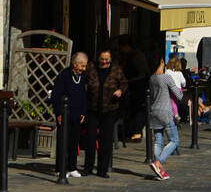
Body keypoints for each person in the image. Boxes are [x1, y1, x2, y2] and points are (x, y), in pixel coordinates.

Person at [83, 49, 125, 178]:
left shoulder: (116, 69)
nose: (104, 62)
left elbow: (124, 83)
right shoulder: (91, 67)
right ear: (98, 58)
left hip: (109, 108)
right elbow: (84, 80)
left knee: (105, 140)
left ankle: (102, 169)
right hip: (92, 108)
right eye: (102, 59)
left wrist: (120, 90)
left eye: (107, 59)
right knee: (90, 138)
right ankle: (88, 168)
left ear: (110, 59)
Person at [51, 51, 88, 176]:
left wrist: (83, 112)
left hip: (77, 114)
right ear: (75, 64)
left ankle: (72, 167)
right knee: (63, 142)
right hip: (65, 113)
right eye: (82, 66)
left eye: (85, 66)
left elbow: (84, 95)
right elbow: (55, 96)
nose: (84, 68)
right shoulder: (64, 75)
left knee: (74, 141)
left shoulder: (82, 77)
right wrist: (59, 113)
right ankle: (60, 168)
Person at [148, 57, 179, 179]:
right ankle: (158, 162)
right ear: (161, 62)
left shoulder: (152, 78)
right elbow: (179, 95)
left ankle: (158, 170)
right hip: (166, 111)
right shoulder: (166, 77)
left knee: (158, 140)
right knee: (174, 140)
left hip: (154, 111)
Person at [118, 35, 149, 142]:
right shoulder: (132, 55)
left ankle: (137, 133)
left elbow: (142, 73)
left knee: (137, 109)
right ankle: (134, 132)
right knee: (134, 109)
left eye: (122, 46)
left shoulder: (136, 56)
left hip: (138, 87)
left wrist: (129, 81)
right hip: (134, 86)